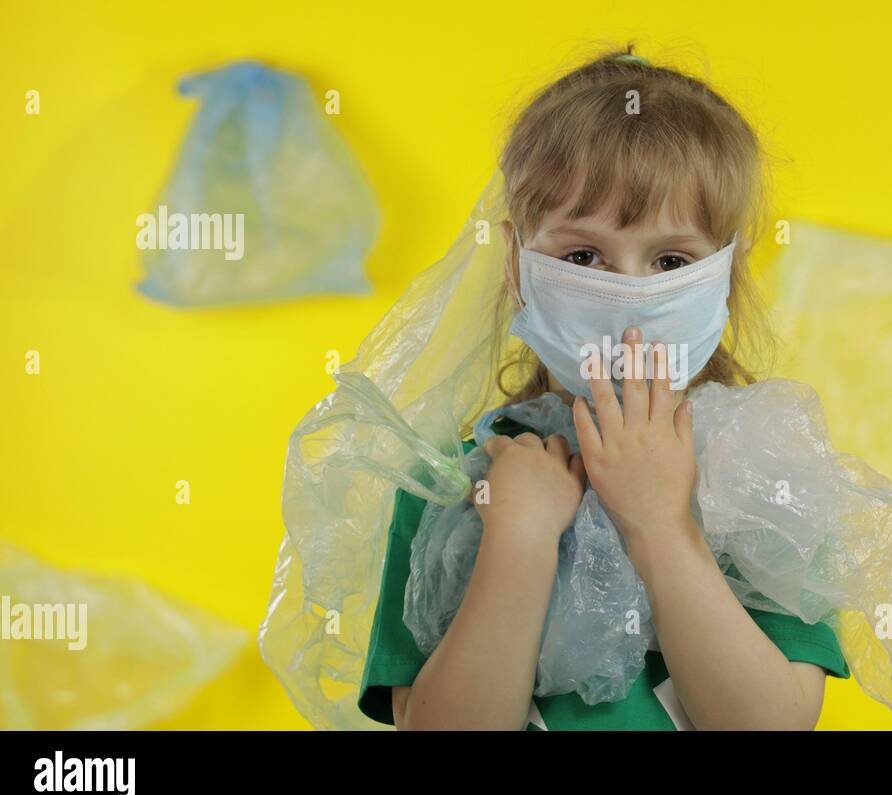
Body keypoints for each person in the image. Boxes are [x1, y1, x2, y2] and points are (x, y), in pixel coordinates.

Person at [357, 49, 854, 730]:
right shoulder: (454, 482)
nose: (627, 295)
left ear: (724, 271)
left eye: (671, 260)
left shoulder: (765, 477)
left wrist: (660, 522)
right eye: (583, 256)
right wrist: (519, 539)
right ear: (517, 265)